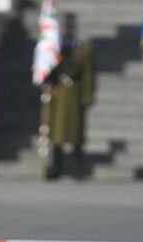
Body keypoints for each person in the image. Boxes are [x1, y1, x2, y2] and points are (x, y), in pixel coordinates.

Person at [44, 12, 95, 180]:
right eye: (66, 27)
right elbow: (47, 68)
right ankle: (55, 167)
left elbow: (88, 75)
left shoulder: (83, 49)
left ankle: (77, 169)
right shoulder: (55, 48)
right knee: (57, 134)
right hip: (59, 94)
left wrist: (86, 98)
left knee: (75, 134)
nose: (69, 30)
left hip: (75, 94)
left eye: (71, 27)